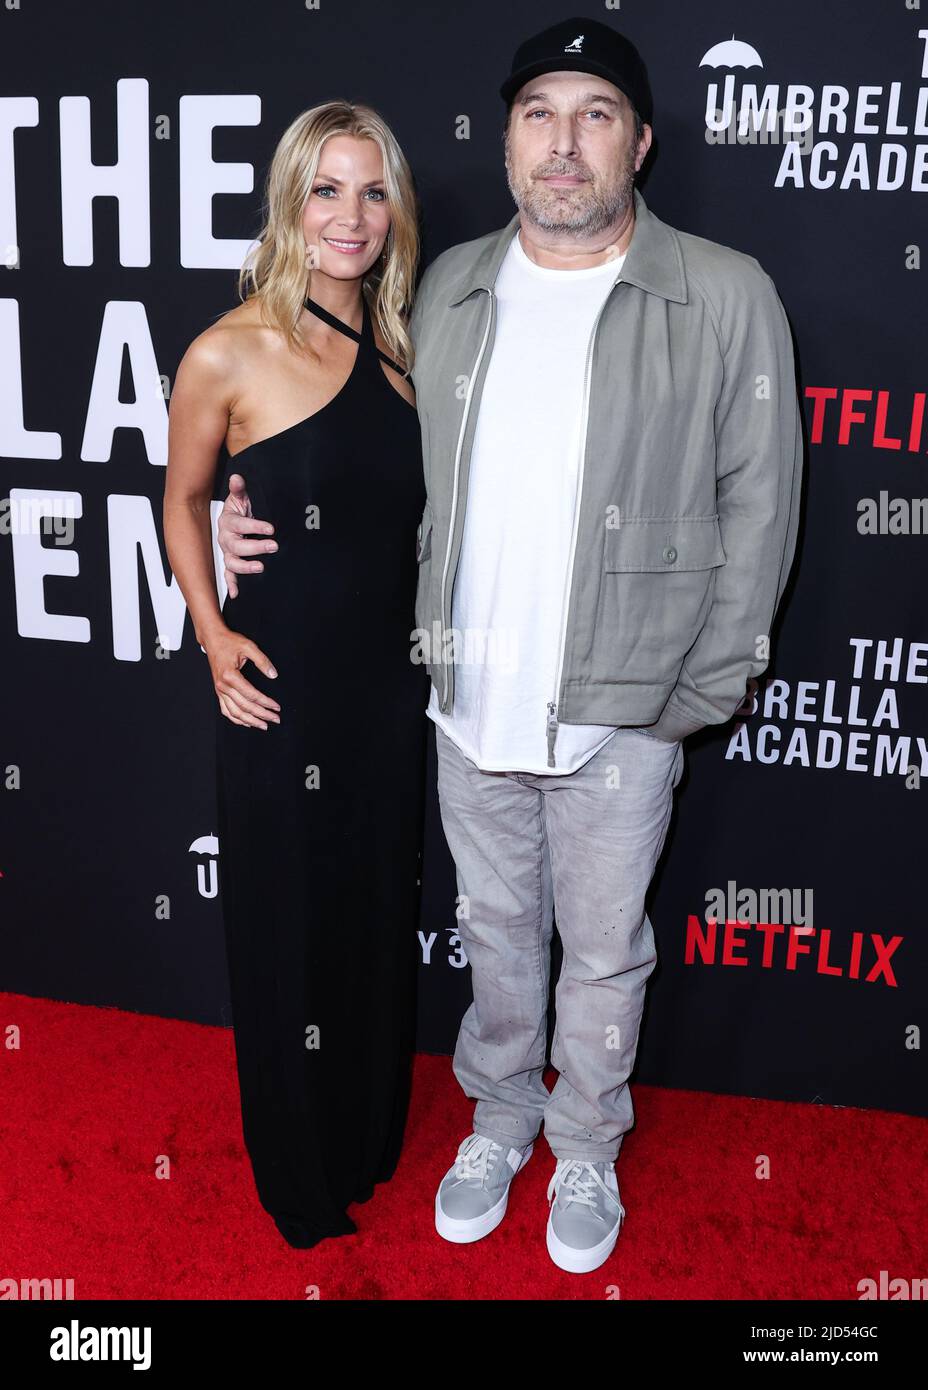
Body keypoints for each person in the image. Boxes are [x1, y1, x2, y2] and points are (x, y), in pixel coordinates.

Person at [217, 17, 803, 1274]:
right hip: (465, 696)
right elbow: (359, 446)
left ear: (638, 141)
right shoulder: (448, 288)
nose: (564, 141)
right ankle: (500, 1117)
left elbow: (761, 500)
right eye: (541, 112)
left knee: (603, 953)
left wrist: (694, 692)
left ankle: (586, 1141)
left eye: (595, 113)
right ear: (508, 139)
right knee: (494, 938)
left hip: (622, 704)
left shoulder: (723, 292)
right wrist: (239, 496)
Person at [163, 101, 429, 1249]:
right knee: (286, 933)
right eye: (327, 189)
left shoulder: (416, 350)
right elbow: (180, 499)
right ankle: (302, 1175)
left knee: (372, 921)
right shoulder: (230, 349)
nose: (350, 216)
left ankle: (369, 1135)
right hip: (278, 696)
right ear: (290, 201)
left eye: (373, 191)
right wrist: (214, 632)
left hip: (389, 699)